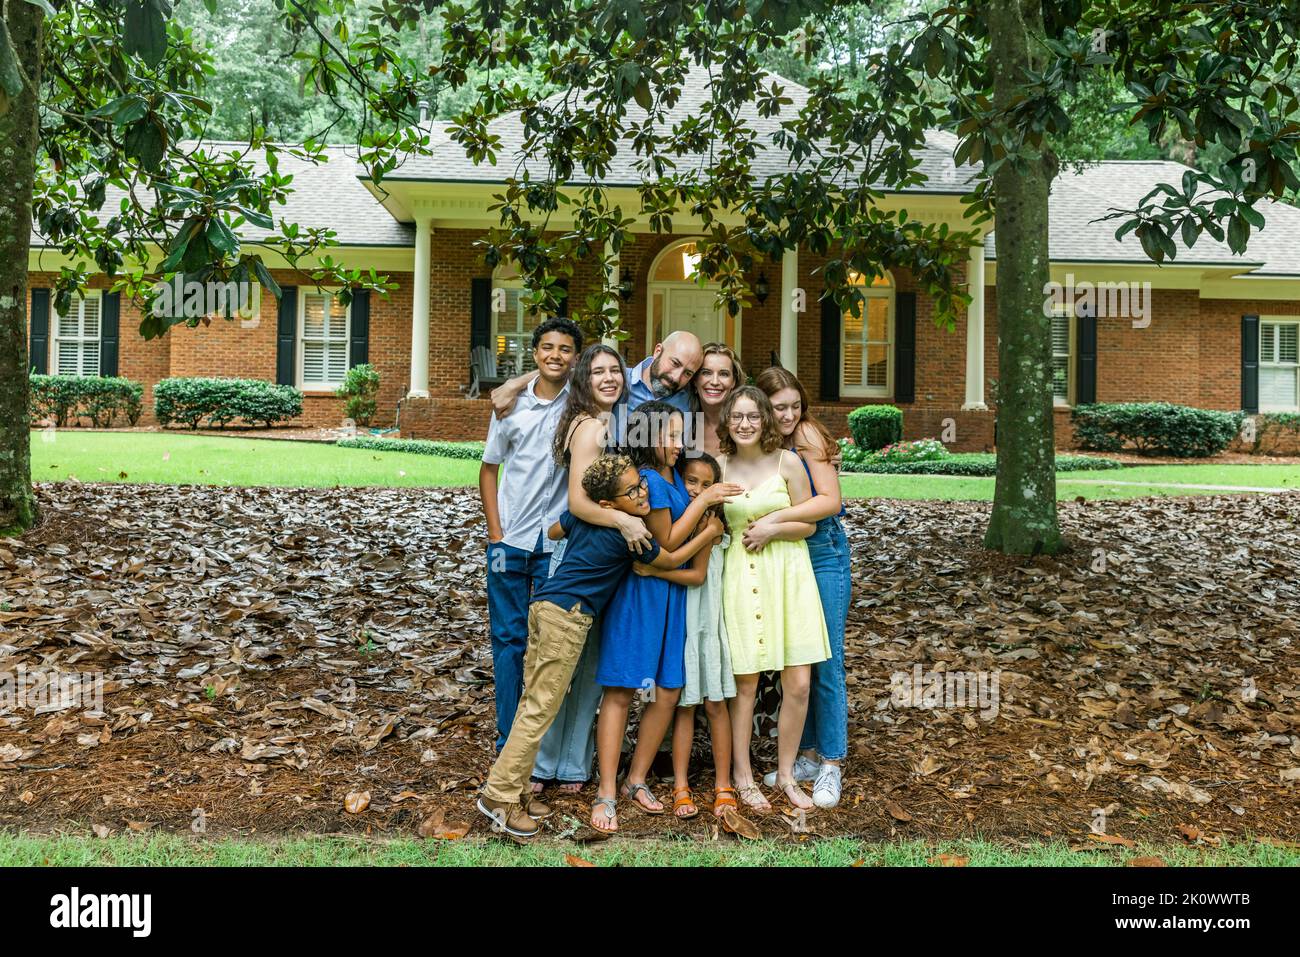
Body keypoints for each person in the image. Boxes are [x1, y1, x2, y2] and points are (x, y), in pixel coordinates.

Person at [476, 454, 720, 839]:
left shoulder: (587, 515)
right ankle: (499, 797)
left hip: (544, 604)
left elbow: (556, 530)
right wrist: (709, 532)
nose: (643, 494)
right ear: (608, 503)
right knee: (541, 708)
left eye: (641, 485)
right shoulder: (634, 533)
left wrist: (593, 523)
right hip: (569, 616)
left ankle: (518, 789)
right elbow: (671, 557)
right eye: (631, 492)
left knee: (532, 705)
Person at [591, 402, 738, 832]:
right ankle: (605, 790)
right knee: (621, 691)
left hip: (675, 598)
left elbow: (680, 561)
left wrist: (708, 522)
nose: (676, 445)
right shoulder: (648, 481)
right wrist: (708, 509)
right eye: (668, 436)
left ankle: (636, 779)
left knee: (668, 693)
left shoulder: (677, 476)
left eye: (680, 436)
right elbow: (667, 540)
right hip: (640, 596)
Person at [530, 344, 653, 795]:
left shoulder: (614, 425)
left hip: (606, 563)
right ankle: (544, 765)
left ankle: (573, 767)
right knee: (562, 667)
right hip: (581, 561)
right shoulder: (588, 428)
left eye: (615, 371)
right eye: (598, 371)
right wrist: (623, 519)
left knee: (591, 667)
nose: (608, 378)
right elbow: (579, 503)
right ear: (583, 380)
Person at [717, 386, 829, 812]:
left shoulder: (788, 462)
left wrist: (772, 528)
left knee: (797, 683)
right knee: (745, 685)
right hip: (740, 579)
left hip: (789, 574)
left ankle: (785, 775)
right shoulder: (718, 465)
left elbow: (810, 525)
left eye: (753, 416)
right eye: (737, 416)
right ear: (726, 421)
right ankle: (744, 777)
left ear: (765, 419)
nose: (745, 424)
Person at [478, 317, 582, 752]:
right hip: (509, 544)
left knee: (552, 645)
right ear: (534, 353)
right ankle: (507, 740)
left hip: (556, 545)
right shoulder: (509, 407)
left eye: (564, 349)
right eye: (547, 348)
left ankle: (540, 747)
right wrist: (496, 533)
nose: (555, 355)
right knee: (508, 641)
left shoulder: (580, 406)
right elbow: (488, 470)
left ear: (575, 357)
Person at [754, 367, 851, 809]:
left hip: (823, 555)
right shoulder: (767, 442)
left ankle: (832, 762)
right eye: (780, 407)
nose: (790, 414)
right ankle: (807, 754)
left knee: (827, 661)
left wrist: (773, 521)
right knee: (803, 660)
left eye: (795, 405)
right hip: (790, 557)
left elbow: (831, 501)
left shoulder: (808, 435)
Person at [632, 451, 740, 826]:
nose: (697, 490)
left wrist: (652, 572)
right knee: (683, 705)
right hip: (683, 626)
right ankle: (680, 784)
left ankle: (724, 783)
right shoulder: (684, 522)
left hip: (707, 627)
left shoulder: (711, 524)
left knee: (714, 704)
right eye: (691, 482)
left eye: (707, 485)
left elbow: (695, 576)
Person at [490, 330, 705, 418]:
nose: (677, 378)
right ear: (658, 351)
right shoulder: (617, 380)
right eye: (674, 363)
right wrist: (513, 385)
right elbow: (564, 373)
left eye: (688, 373)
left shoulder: (690, 400)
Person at [689, 343, 744, 457]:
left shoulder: (745, 425)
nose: (714, 382)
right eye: (706, 373)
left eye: (724, 374)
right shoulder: (683, 425)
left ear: (733, 382)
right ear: (695, 380)